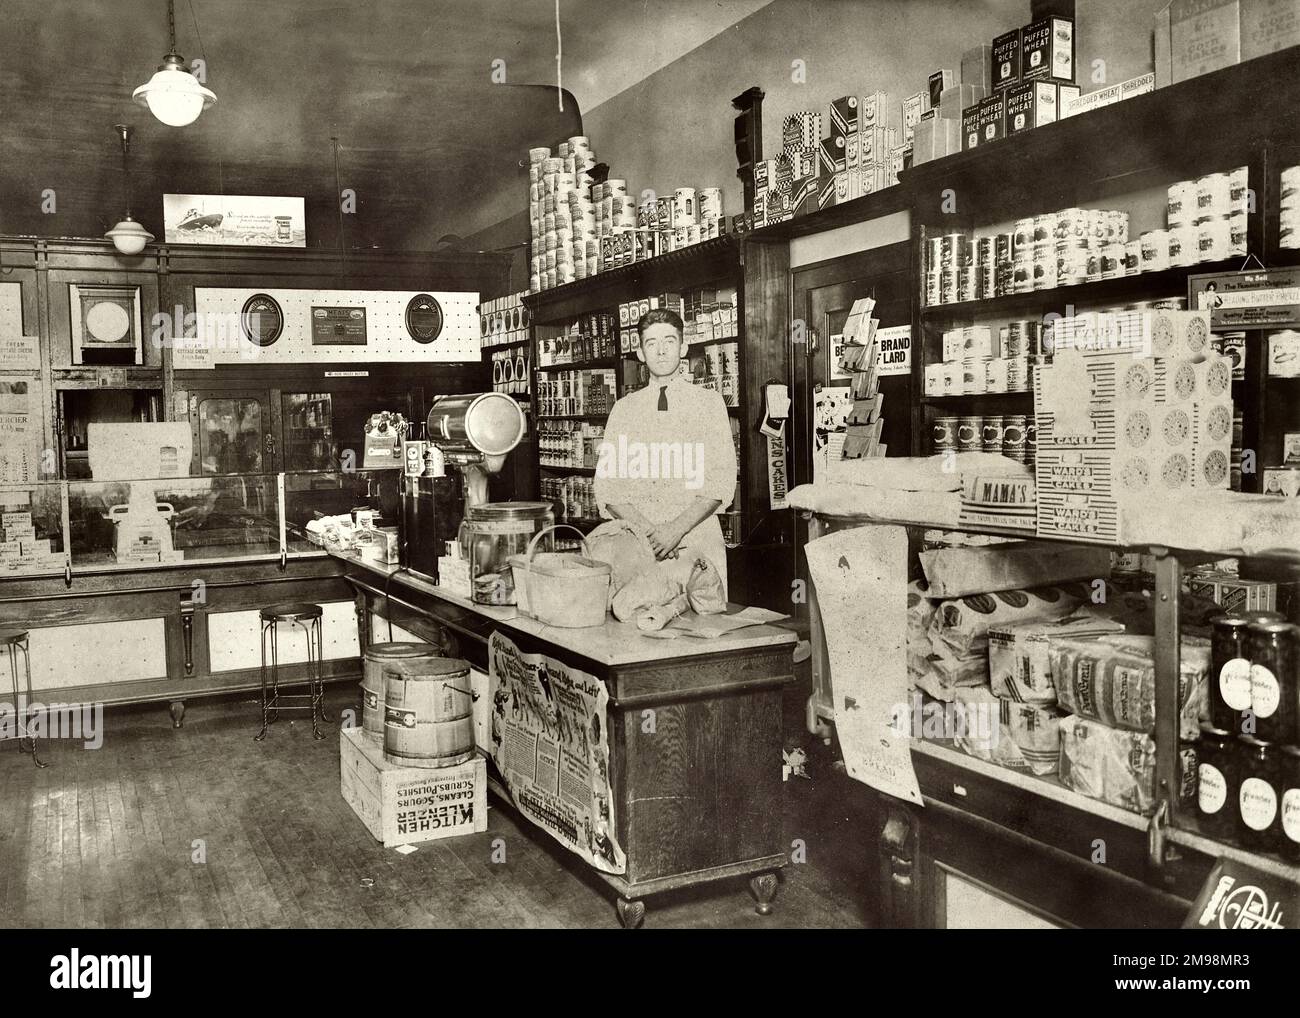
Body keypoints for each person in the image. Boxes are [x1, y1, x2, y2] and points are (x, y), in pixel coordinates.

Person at [594, 308, 737, 598]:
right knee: (642, 625)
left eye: (669, 341)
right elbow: (609, 488)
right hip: (640, 547)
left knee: (704, 629)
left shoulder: (709, 404)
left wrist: (674, 531)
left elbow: (720, 482)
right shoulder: (624, 410)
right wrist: (650, 534)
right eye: (651, 343)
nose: (661, 351)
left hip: (696, 542)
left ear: (683, 347)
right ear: (640, 352)